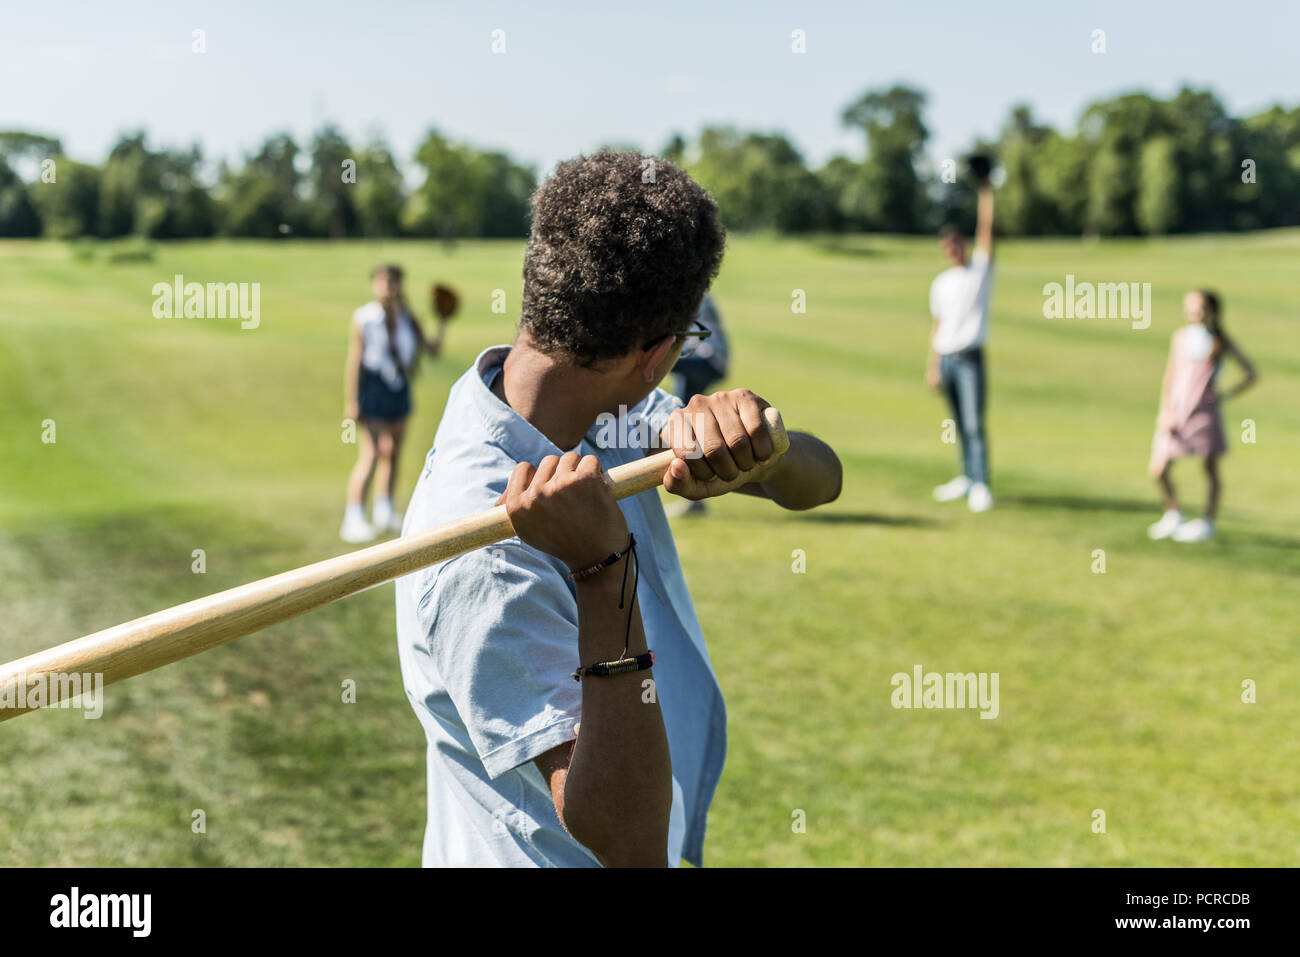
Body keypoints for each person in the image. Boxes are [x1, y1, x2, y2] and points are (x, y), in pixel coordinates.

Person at [394, 151, 842, 867]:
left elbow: (823, 480)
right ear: (658, 352)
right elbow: (628, 841)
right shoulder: (481, 538)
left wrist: (760, 439)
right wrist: (603, 570)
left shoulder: (606, 414)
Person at [340, 264, 447, 543]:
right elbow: (355, 360)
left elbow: (432, 351)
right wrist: (352, 400)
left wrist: (443, 322)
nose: (389, 288)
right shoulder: (364, 318)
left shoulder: (409, 319)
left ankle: (384, 509)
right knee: (372, 453)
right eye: (384, 282)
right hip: (374, 387)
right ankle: (353, 515)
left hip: (400, 386)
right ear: (374, 285)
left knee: (394, 450)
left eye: (394, 282)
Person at [1147, 290, 1257, 543]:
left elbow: (1250, 373)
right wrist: (1165, 411)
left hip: (1205, 411)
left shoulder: (1220, 340)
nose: (1193, 311)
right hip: (1177, 410)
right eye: (1190, 306)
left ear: (1212, 310)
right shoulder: (1181, 337)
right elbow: (1170, 376)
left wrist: (1225, 395)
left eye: (1198, 307)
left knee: (1209, 467)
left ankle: (1207, 521)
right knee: (1159, 468)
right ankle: (1174, 513)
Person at [927, 180, 995, 512]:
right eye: (947, 245)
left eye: (956, 243)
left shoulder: (979, 272)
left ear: (963, 245)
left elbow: (987, 232)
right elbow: (937, 325)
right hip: (947, 360)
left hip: (970, 360)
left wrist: (985, 192)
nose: (952, 249)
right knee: (957, 424)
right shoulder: (941, 282)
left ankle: (981, 483)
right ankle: (967, 477)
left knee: (973, 424)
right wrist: (933, 364)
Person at [666, 293, 729, 517]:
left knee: (654, 353)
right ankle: (693, 499)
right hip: (704, 359)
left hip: (705, 359)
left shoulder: (690, 294)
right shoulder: (695, 292)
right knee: (686, 421)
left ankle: (693, 498)